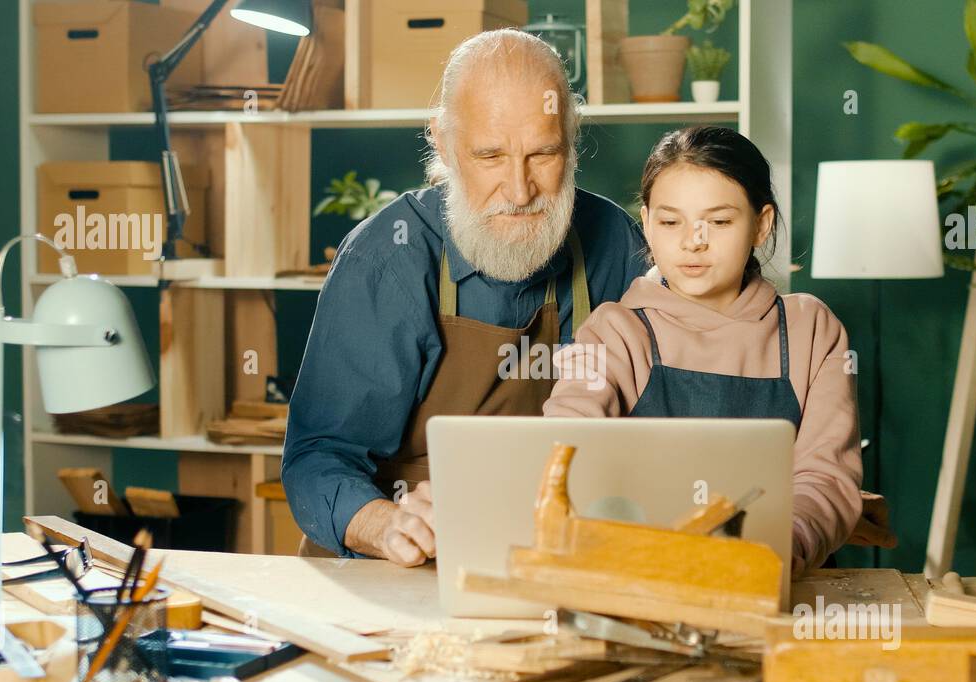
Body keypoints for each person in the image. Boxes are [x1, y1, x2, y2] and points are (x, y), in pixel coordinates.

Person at [281, 30, 649, 564]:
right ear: (444, 144)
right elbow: (318, 458)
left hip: (554, 559)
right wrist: (383, 524)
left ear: (571, 140)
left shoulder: (614, 242)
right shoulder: (388, 258)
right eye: (490, 156)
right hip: (398, 568)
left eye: (542, 154)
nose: (520, 192)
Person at [543, 125, 865, 575]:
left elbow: (825, 479)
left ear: (761, 225)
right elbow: (564, 446)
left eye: (719, 221)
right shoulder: (612, 333)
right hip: (648, 577)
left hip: (784, 584)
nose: (694, 241)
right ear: (649, 223)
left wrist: (774, 552)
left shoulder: (811, 330)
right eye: (671, 221)